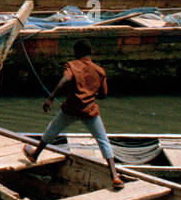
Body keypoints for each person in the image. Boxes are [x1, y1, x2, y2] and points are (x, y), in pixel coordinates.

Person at [23, 40, 124, 190]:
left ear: (76, 52)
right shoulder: (100, 71)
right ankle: (114, 176)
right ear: (90, 53)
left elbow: (66, 79)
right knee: (102, 139)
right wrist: (91, 92)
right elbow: (104, 95)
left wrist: (51, 98)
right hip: (89, 110)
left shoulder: (72, 65)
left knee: (52, 130)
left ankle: (35, 155)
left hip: (70, 109)